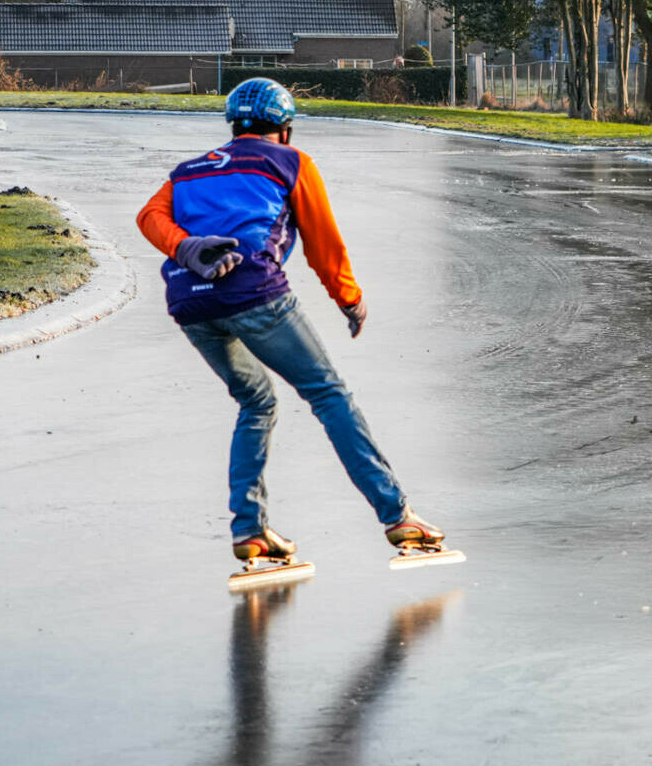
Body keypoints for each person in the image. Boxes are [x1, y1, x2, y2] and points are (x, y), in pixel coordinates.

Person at [136, 77, 445, 566]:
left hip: (191, 303)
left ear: (234, 125)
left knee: (255, 400)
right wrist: (350, 300)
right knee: (328, 395)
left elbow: (149, 216)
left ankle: (250, 529)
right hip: (255, 293)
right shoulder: (291, 162)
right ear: (285, 129)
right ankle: (397, 514)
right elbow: (325, 245)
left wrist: (185, 247)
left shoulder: (190, 170)